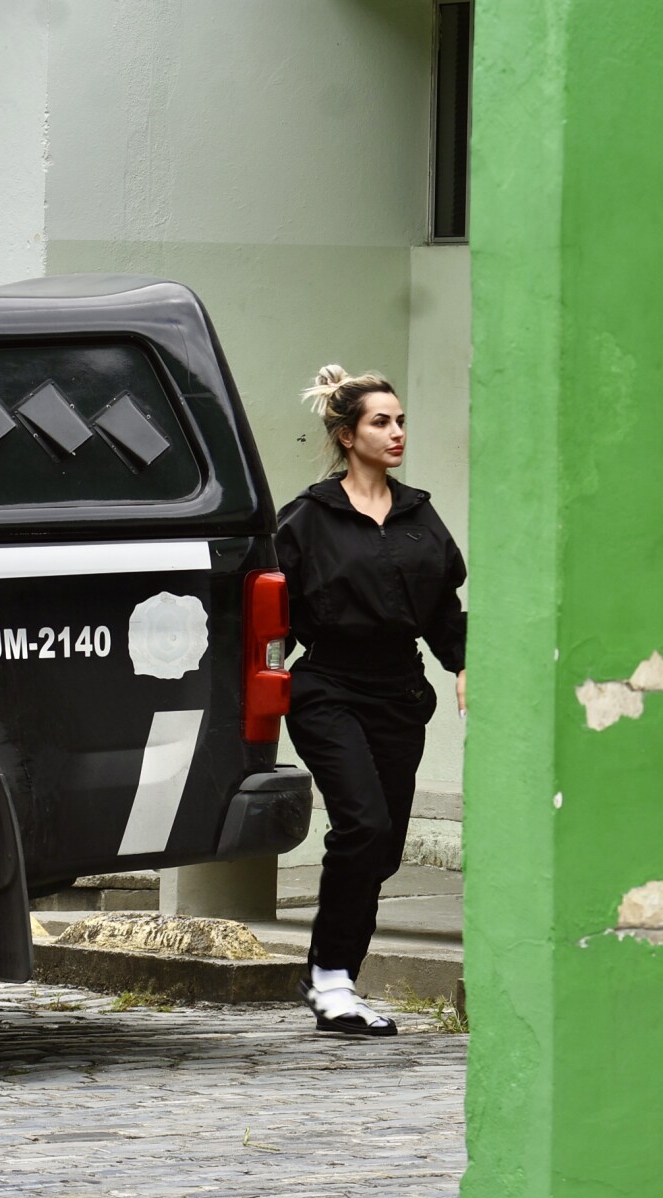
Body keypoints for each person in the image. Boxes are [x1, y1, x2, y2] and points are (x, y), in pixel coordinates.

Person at [276, 365, 467, 1037]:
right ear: (346, 435)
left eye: (401, 420)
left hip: (399, 694)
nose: (396, 432)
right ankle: (330, 981)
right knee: (362, 825)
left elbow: (443, 610)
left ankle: (338, 979)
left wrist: (465, 662)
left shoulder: (417, 514)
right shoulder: (307, 518)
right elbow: (274, 619)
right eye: (381, 422)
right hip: (328, 689)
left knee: (380, 846)